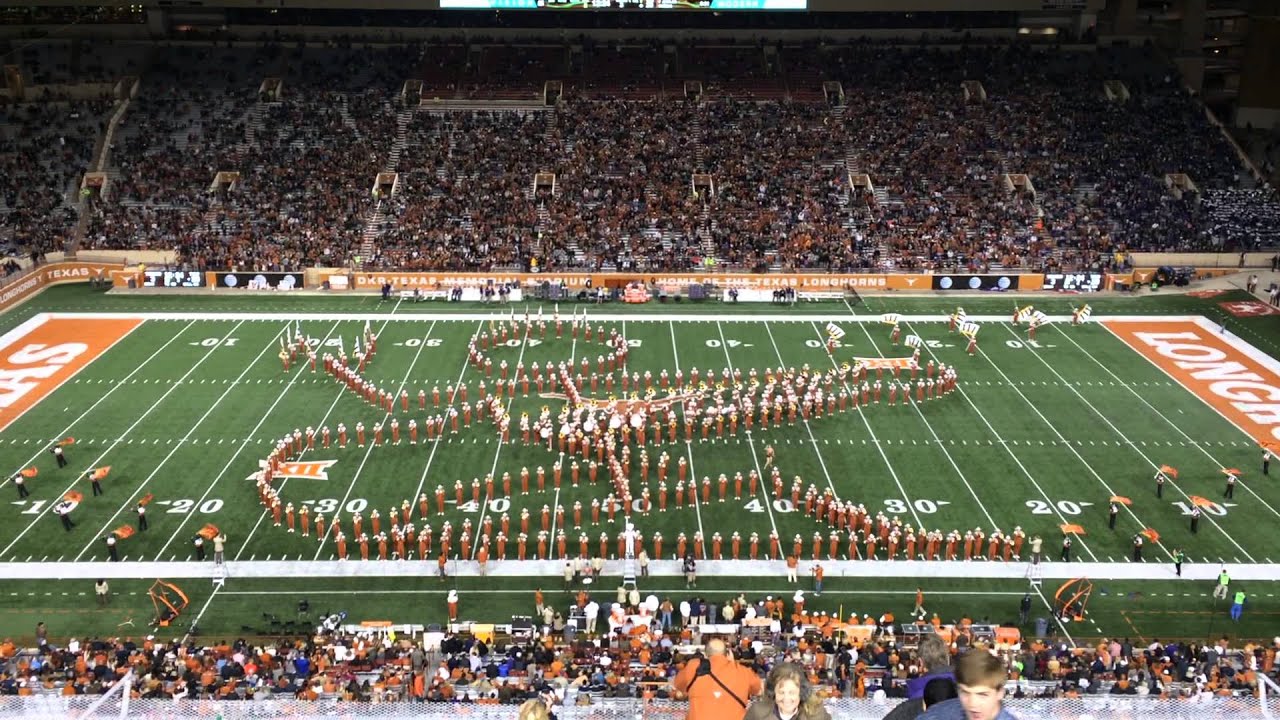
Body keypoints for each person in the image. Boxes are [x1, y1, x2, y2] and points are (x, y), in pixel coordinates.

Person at [674, 637, 762, 720]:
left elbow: (678, 685)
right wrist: (733, 664)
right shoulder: (743, 672)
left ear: (706, 654)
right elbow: (759, 690)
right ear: (727, 653)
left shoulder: (693, 667)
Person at [919, 650, 1019, 720]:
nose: (972, 704)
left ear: (1000, 693)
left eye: (982, 695)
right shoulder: (937, 714)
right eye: (965, 692)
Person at [743, 662, 830, 720]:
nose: (786, 698)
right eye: (781, 692)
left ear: (801, 692)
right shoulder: (757, 712)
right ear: (773, 692)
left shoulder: (817, 713)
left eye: (792, 692)